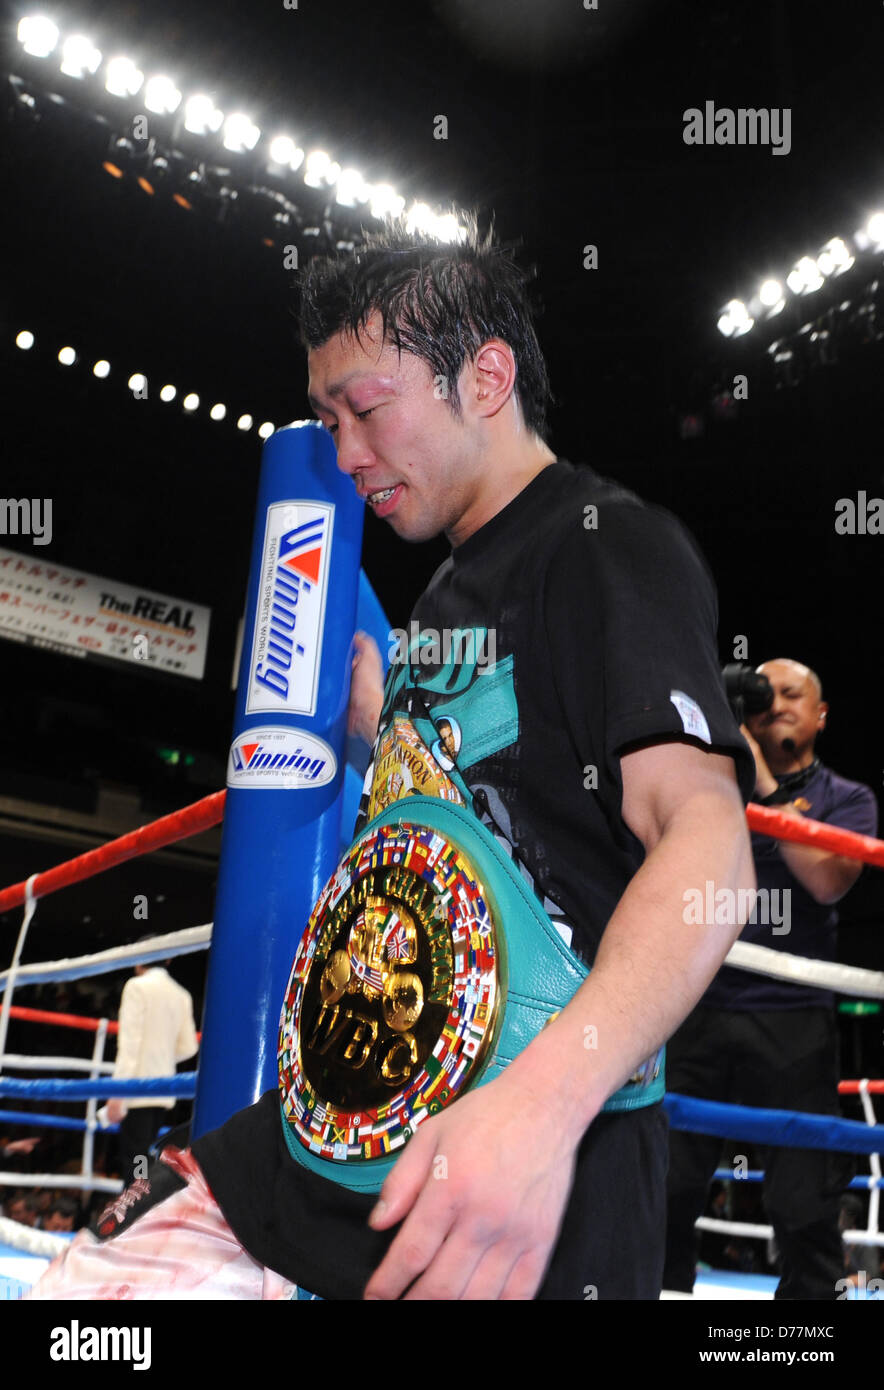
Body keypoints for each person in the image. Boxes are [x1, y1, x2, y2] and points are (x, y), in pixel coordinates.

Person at [29, 216, 755, 1301]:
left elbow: (707, 854)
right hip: (329, 1133)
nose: (346, 451)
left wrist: (540, 1107)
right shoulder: (448, 590)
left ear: (486, 376)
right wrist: (381, 727)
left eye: (367, 408)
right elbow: (491, 802)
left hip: (513, 1160)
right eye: (327, 420)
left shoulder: (607, 544)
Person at [664, 658, 878, 1300]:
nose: (776, 701)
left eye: (793, 693)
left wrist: (760, 779)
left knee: (804, 1204)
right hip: (696, 1009)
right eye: (764, 693)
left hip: (792, 1018)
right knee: (667, 1186)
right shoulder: (704, 791)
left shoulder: (849, 798)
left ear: (820, 716)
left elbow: (825, 878)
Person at [105, 956, 198, 1188]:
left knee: (136, 1161)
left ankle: (135, 1214)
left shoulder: (136, 986)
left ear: (138, 963)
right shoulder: (181, 994)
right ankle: (140, 1209)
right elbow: (189, 1047)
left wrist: (118, 1093)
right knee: (145, 1155)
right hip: (163, 1089)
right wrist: (161, 1058)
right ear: (167, 962)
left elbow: (130, 1044)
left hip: (136, 1088)